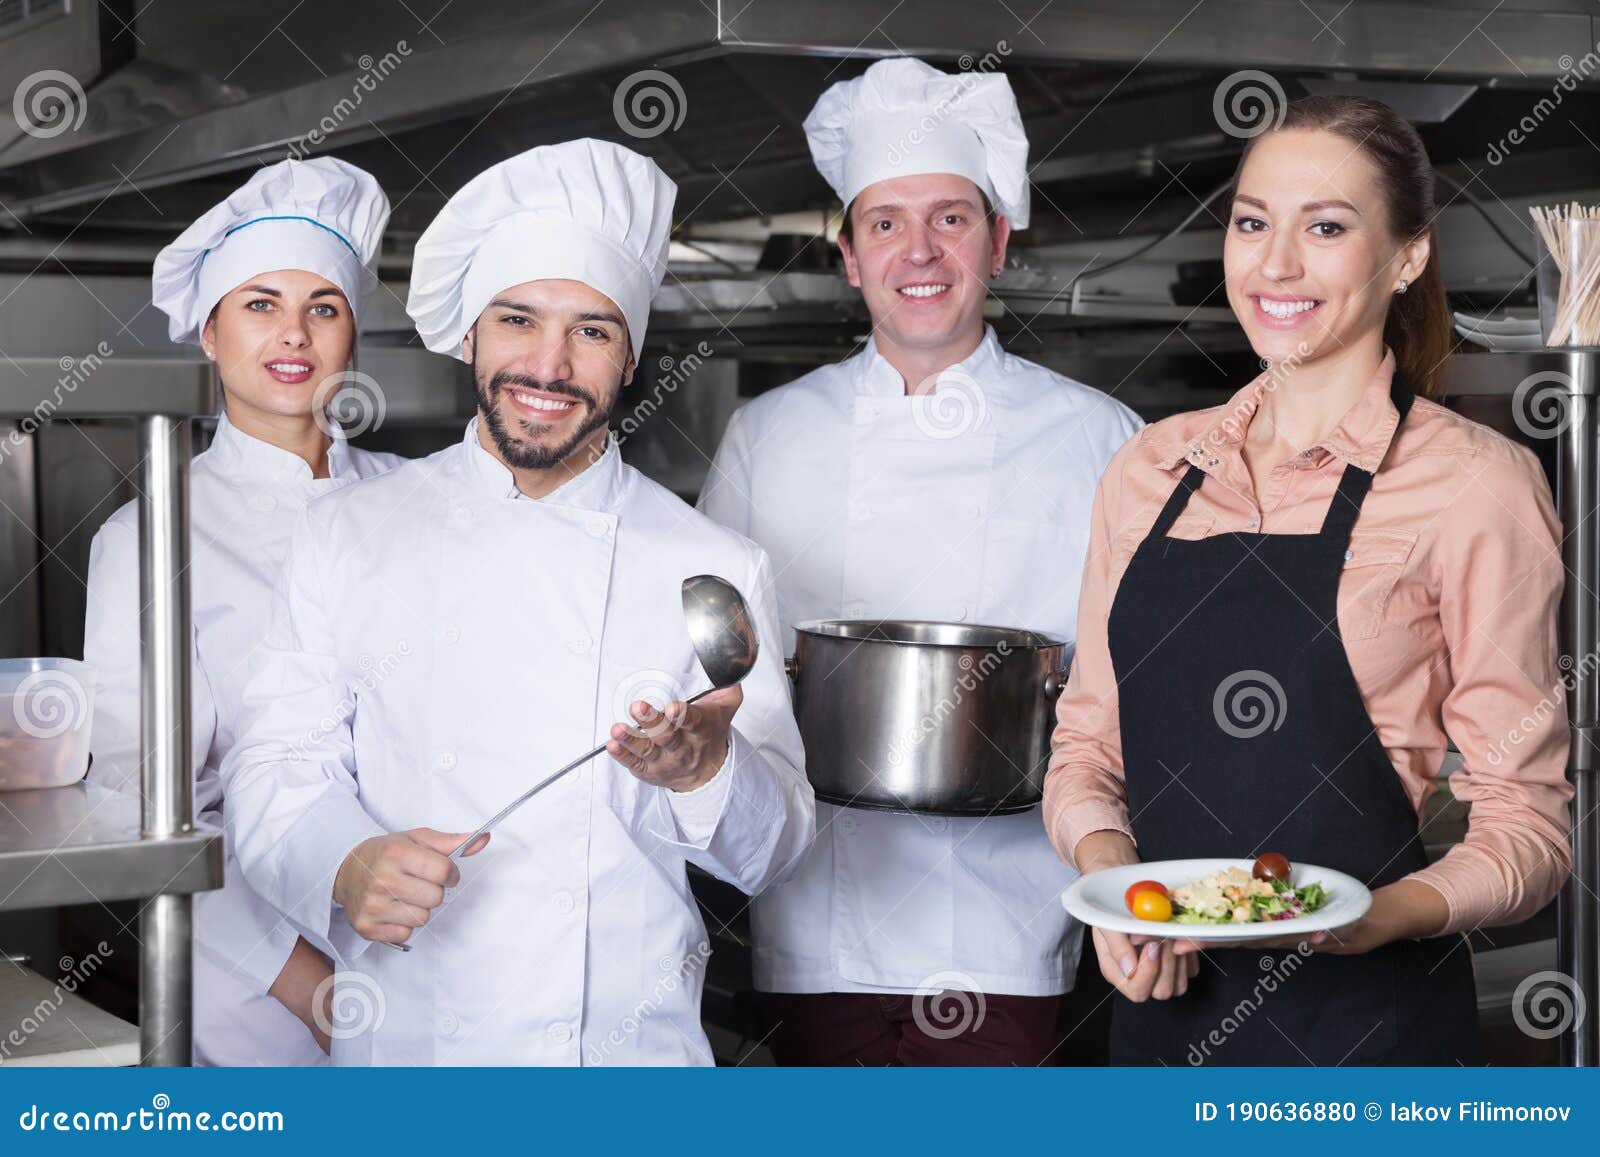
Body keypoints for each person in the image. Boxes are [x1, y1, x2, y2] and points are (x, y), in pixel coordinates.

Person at [218, 138, 816, 1066]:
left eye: (593, 329)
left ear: (628, 358)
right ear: (469, 332)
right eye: (517, 319)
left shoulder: (711, 560)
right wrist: (346, 859)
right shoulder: (351, 531)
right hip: (411, 1058)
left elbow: (774, 852)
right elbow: (274, 765)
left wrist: (709, 770)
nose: (548, 365)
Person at [1045, 94, 1573, 1065]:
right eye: (1252, 223)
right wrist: (1113, 884)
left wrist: (1381, 915)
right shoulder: (1147, 470)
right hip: (1159, 1029)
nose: (1274, 264)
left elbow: (1528, 828)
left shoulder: (1474, 485)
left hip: (1367, 1041)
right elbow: (1085, 745)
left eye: (1325, 227)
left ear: (1405, 256)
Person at [698, 57, 1141, 1065]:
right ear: (849, 256)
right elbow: (719, 659)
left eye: (951, 216)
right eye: (885, 222)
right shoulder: (768, 435)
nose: (919, 250)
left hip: (1014, 910)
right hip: (818, 909)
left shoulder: (1100, 437)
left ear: (999, 240)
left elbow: (1142, 665)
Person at [84, 156, 399, 1065]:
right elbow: (133, 809)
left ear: (351, 334)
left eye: (323, 307)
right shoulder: (151, 537)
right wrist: (312, 982)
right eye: (260, 304)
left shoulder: (418, 501)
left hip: (436, 953)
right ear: (210, 334)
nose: (293, 333)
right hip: (257, 996)